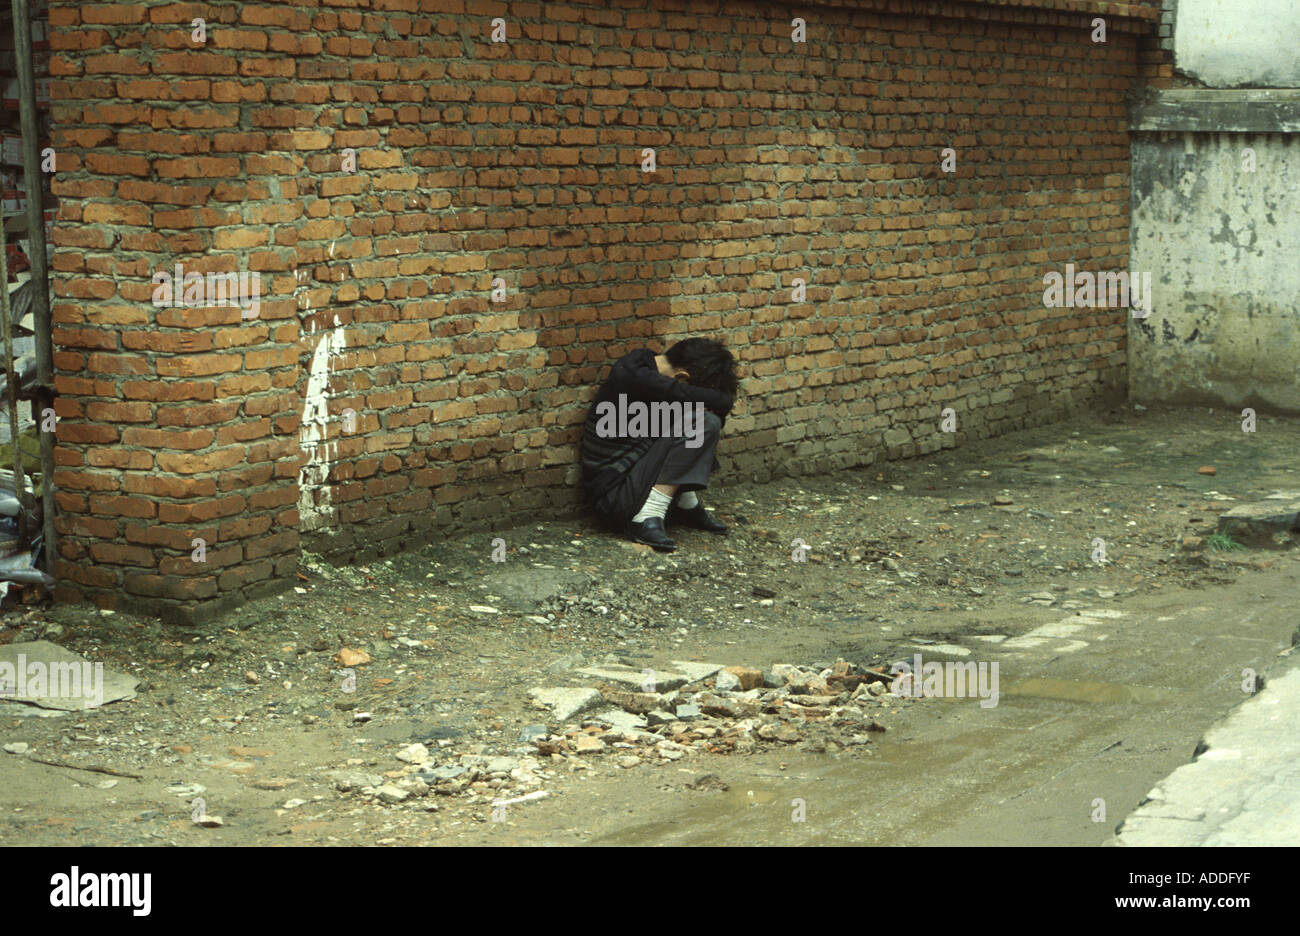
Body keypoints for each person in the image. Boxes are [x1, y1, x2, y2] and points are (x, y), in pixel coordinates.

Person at [580, 338, 738, 551]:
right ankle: (646, 516)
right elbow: (696, 401)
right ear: (682, 377)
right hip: (616, 497)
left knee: (700, 416)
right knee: (704, 421)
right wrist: (715, 400)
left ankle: (684, 503)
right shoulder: (634, 379)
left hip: (635, 483)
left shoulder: (652, 373)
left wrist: (713, 402)